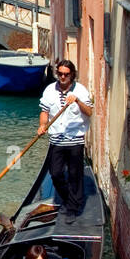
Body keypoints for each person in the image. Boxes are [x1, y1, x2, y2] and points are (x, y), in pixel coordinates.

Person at [39, 58, 92, 219]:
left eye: (66, 74)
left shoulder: (81, 90)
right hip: (56, 139)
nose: (62, 77)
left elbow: (89, 112)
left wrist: (77, 100)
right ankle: (70, 200)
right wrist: (42, 125)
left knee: (75, 175)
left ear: (72, 75)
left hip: (75, 139)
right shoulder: (49, 90)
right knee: (55, 174)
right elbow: (45, 112)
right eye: (60, 74)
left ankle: (73, 208)